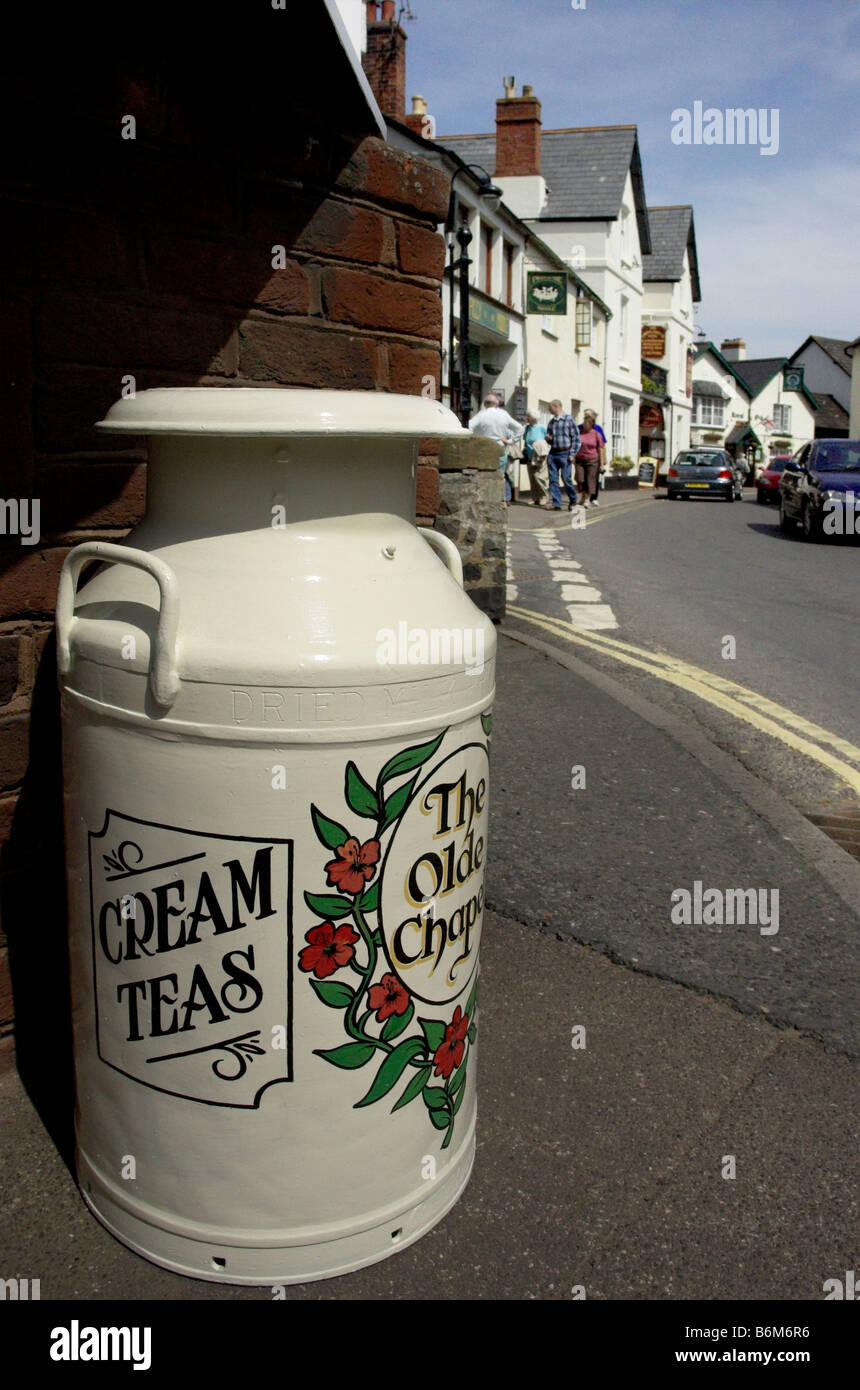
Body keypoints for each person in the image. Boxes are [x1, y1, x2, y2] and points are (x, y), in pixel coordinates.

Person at [469, 393, 524, 505]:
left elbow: (469, 426)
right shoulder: (503, 415)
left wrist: (474, 440)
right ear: (497, 403)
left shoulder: (481, 415)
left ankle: (485, 500)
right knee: (500, 475)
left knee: (484, 475)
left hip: (484, 449)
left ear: (485, 404)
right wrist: (510, 441)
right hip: (500, 449)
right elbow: (520, 428)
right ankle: (499, 501)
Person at [545, 399, 580, 510]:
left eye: (550, 407)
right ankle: (556, 503)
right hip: (553, 453)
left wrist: (572, 454)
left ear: (556, 406)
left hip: (565, 453)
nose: (548, 409)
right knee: (553, 480)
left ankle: (573, 499)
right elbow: (550, 439)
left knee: (566, 479)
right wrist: (548, 439)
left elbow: (576, 439)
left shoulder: (569, 420)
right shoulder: (552, 422)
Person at [575, 409, 607, 508]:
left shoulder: (597, 433)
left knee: (590, 480)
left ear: (591, 424)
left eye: (586, 423)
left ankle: (587, 500)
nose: (584, 424)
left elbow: (601, 448)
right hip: (580, 459)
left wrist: (602, 463)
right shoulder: (579, 432)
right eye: (584, 422)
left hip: (592, 460)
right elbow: (574, 445)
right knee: (580, 479)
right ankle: (583, 496)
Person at [523, 411, 549, 506]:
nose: (526, 418)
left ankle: (544, 496)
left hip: (539, 455)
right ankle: (535, 498)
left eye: (528, 416)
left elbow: (548, 440)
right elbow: (525, 439)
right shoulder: (527, 428)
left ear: (533, 418)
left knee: (540, 476)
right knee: (532, 477)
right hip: (530, 454)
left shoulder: (542, 428)